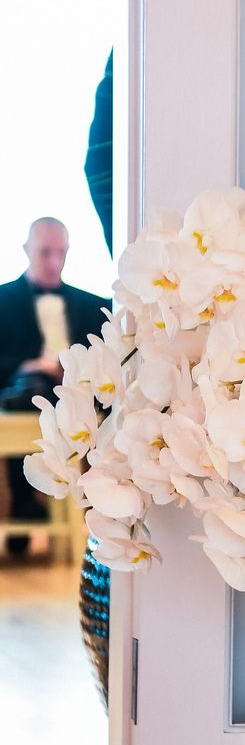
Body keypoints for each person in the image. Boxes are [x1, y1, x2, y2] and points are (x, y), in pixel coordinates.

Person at [0, 218, 108, 555]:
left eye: (60, 253)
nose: (53, 262)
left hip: (79, 389)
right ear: (26, 249)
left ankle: (103, 508)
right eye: (45, 252)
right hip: (26, 384)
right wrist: (30, 365)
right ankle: (24, 501)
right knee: (33, 390)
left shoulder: (92, 304)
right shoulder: (2, 299)